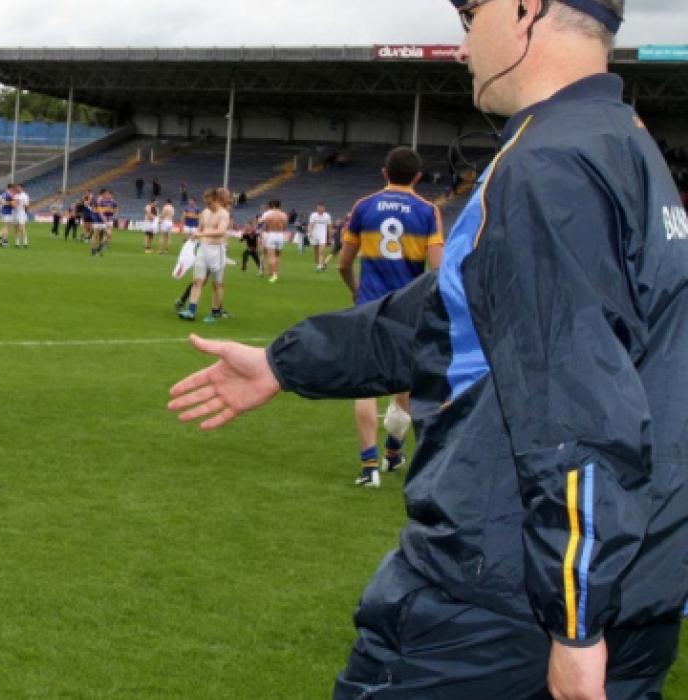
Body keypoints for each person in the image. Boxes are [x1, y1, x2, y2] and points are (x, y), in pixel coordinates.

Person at [170, 0, 688, 696]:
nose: (463, 39)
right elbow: (447, 311)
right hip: (630, 589)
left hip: (509, 593)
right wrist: (283, 362)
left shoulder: (552, 164)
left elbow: (576, 403)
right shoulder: (619, 141)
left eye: (471, 12)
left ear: (525, 9)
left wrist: (574, 621)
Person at [336, 146, 444, 488]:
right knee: (406, 384)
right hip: (409, 307)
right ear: (418, 177)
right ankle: (394, 451)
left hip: (369, 305)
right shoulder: (428, 211)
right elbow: (437, 269)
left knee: (365, 385)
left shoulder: (364, 206)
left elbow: (343, 262)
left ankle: (369, 468)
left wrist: (354, 288)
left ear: (384, 172)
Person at [177, 187, 231, 323]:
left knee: (217, 284)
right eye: (206, 202)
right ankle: (191, 310)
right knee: (197, 281)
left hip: (217, 250)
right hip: (203, 249)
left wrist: (202, 234)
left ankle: (215, 312)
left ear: (216, 200)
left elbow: (221, 231)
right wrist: (195, 236)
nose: (207, 205)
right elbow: (201, 228)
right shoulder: (205, 212)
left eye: (210, 202)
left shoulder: (223, 214)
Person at [260, 199, 288, 282]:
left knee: (271, 256)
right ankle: (276, 272)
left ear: (273, 206)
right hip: (280, 235)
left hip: (271, 234)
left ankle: (273, 274)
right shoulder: (284, 215)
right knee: (278, 255)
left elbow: (263, 225)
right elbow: (285, 226)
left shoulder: (269, 215)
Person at [307, 202, 333, 271]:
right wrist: (310, 233)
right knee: (316, 252)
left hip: (323, 235)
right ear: (317, 208)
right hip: (314, 235)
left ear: (324, 208)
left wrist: (330, 237)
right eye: (318, 208)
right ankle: (319, 263)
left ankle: (320, 266)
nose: (320, 209)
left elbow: (330, 227)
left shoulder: (327, 216)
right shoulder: (313, 215)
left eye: (321, 208)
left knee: (321, 251)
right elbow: (310, 225)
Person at [14, 183, 30, 248]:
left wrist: (24, 212)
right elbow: (14, 204)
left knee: (22, 227)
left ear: (21, 187)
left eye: (18, 187)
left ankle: (25, 242)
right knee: (17, 228)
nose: (17, 188)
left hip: (22, 213)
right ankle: (17, 242)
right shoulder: (15, 196)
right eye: (16, 187)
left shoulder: (25, 196)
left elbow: (26, 205)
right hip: (16, 213)